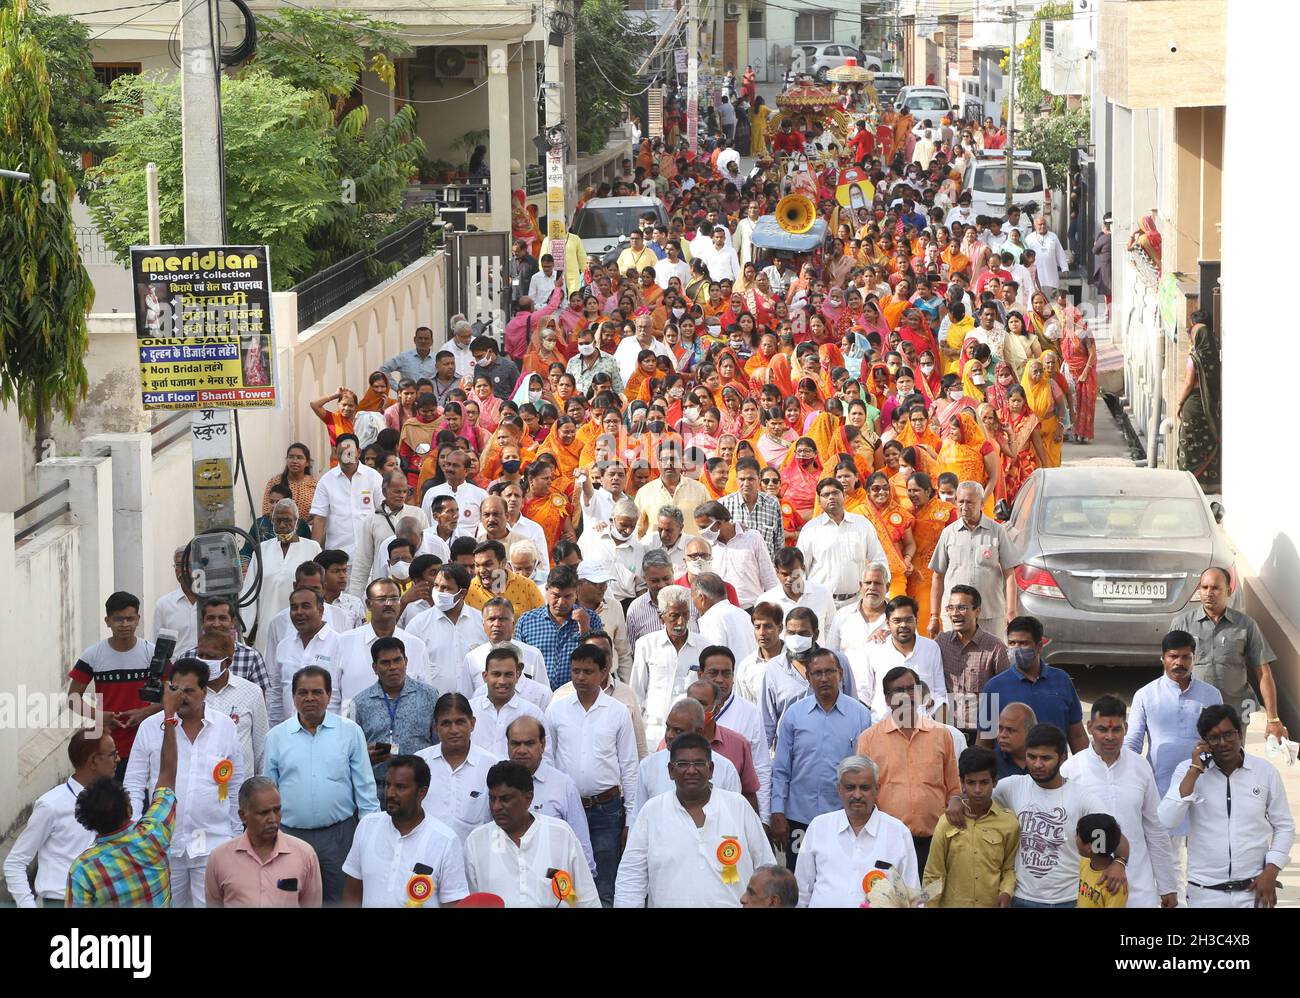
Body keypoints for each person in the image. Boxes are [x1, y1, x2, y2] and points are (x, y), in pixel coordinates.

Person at [949, 723, 1127, 908]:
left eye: (1045, 758)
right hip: (1020, 898)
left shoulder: (1081, 798)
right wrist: (956, 799)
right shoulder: (1012, 787)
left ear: (1062, 758)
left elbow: (1115, 838)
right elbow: (975, 794)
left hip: (1069, 900)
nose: (1037, 764)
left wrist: (1118, 862)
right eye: (1031, 757)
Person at [121, 658, 243, 908]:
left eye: (189, 691)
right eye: (175, 690)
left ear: (204, 692)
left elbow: (235, 785)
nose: (181, 697)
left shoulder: (225, 727)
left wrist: (236, 835)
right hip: (164, 845)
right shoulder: (149, 727)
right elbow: (133, 782)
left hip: (213, 843)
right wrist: (135, 830)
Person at [615, 732, 775, 908]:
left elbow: (767, 870)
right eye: (682, 764)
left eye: (699, 763)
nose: (691, 770)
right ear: (670, 771)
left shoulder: (738, 807)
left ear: (711, 769)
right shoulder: (652, 812)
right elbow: (631, 878)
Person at [1158, 704, 1294, 908]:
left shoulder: (1265, 772)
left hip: (1254, 891)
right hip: (1205, 894)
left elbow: (1284, 826)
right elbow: (1166, 820)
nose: (1223, 743)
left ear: (1239, 733)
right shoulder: (1187, 772)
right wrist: (1194, 771)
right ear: (1204, 743)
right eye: (1214, 737)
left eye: (1229, 734)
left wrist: (1272, 868)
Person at [266, 665, 379, 903]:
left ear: (329, 695)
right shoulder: (276, 736)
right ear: (293, 697)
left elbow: (366, 790)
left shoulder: (350, 732)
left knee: (342, 898)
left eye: (317, 692)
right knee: (290, 899)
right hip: (290, 837)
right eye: (302, 693)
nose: (310, 698)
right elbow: (268, 791)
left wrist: (371, 835)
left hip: (340, 837)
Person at [66, 680, 181, 907]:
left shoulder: (84, 869)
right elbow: (167, 774)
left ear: (88, 823)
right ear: (129, 810)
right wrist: (169, 716)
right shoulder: (153, 836)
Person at [1061, 695, 1177, 908]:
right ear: (1089, 727)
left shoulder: (1140, 767)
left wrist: (1167, 885)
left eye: (1116, 730)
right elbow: (1065, 835)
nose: (1110, 737)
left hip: (1138, 887)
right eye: (1102, 729)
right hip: (1088, 889)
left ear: (1125, 727)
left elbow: (1155, 828)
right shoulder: (1071, 770)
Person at [545, 642, 639, 906]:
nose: (581, 677)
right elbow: (548, 759)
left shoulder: (618, 712)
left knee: (604, 883)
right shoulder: (556, 709)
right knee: (563, 877)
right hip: (566, 808)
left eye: (588, 671)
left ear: (603, 672)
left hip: (606, 810)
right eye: (576, 671)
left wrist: (631, 817)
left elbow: (629, 766)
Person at [771, 649, 874, 870]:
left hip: (843, 817)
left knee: (840, 875)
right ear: (808, 677)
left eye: (830, 671)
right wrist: (777, 811)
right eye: (817, 673)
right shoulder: (794, 715)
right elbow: (780, 769)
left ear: (841, 674)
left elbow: (866, 769)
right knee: (799, 876)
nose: (824, 678)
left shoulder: (861, 716)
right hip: (799, 817)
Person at [855, 666, 959, 868]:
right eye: (898, 690)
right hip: (887, 843)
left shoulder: (941, 734)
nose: (906, 695)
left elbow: (953, 787)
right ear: (887, 699)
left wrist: (956, 801)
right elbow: (863, 792)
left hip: (934, 841)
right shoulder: (868, 739)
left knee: (931, 898)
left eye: (911, 688)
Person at [1125, 630, 1223, 844]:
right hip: (1161, 790)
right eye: (1173, 656)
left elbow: (1220, 739)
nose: (1180, 662)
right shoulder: (1145, 695)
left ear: (1194, 658)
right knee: (1169, 862)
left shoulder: (1211, 695)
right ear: (1163, 658)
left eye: (1186, 656)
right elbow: (1132, 743)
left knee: (1204, 859)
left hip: (1203, 787)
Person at [465, 760, 600, 907]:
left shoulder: (561, 834)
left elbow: (586, 899)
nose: (496, 807)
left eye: (505, 799)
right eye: (492, 799)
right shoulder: (476, 841)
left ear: (528, 798)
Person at [341, 753, 469, 908]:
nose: (390, 793)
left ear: (422, 792)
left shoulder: (446, 840)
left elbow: (453, 902)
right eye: (387, 785)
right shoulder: (367, 826)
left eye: (400, 787)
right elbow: (352, 892)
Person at [1171, 566, 1285, 738]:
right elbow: (1170, 672)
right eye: (1204, 587)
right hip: (1193, 713)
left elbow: (1263, 672)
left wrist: (1273, 719)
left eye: (1215, 588)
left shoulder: (1246, 625)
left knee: (1233, 763)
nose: (1209, 593)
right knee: (1194, 763)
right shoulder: (1182, 624)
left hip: (1234, 714)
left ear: (1229, 591)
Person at [4, 730, 115, 907]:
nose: (117, 759)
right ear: (94, 760)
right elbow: (15, 862)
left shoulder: (113, 801)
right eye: (112, 754)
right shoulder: (51, 805)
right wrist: (27, 904)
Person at [794, 755, 918, 907]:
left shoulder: (898, 832)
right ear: (839, 789)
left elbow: (911, 896)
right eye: (850, 787)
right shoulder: (818, 826)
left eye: (864, 788)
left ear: (877, 789)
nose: (857, 795)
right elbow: (801, 890)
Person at [67, 591, 156, 778]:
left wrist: (145, 712)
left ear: (138, 619)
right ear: (107, 621)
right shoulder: (93, 655)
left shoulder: (152, 653)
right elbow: (73, 699)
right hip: (108, 748)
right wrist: (99, 716)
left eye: (130, 619)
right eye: (118, 619)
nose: (125, 625)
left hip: (148, 743)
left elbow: (175, 694)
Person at [204, 777, 323, 908]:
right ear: (243, 815)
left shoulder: (305, 855)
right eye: (264, 813)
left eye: (277, 810)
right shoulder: (220, 858)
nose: (273, 819)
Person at [923, 746, 1018, 908]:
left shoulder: (1009, 823)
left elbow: (1009, 868)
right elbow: (934, 874)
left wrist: (1006, 892)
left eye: (984, 782)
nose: (977, 790)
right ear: (962, 783)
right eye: (971, 783)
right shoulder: (947, 822)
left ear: (995, 781)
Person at [977, 615, 1087, 753]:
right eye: (1012, 643)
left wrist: (1085, 770)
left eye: (1023, 643)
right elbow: (984, 742)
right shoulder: (994, 687)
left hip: (1054, 771)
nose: (1017, 649)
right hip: (1008, 773)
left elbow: (1077, 736)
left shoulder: (1061, 680)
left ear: (1039, 646)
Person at [927, 480, 1020, 639]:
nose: (964, 507)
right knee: (955, 659)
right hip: (955, 617)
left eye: (970, 502)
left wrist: (1011, 612)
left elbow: (1010, 574)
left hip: (990, 615)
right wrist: (934, 616)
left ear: (982, 503)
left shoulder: (997, 531)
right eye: (960, 501)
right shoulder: (948, 533)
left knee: (992, 660)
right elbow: (938, 576)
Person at [345, 635, 440, 788]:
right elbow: (350, 752)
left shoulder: (429, 696)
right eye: (385, 663)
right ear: (375, 668)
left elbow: (439, 743)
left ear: (406, 661)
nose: (393, 667)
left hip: (420, 790)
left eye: (397, 660)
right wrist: (364, 756)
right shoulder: (360, 703)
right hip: (377, 789)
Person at [505, 715, 596, 872]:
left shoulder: (563, 786)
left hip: (553, 880)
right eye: (515, 743)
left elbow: (580, 843)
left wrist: (582, 886)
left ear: (542, 744)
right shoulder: (498, 784)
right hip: (508, 876)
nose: (521, 750)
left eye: (529, 743)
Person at [634, 698, 744, 818]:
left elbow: (734, 820)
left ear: (699, 732)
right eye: (668, 728)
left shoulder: (726, 770)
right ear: (671, 770)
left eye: (678, 730)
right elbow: (638, 818)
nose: (669, 735)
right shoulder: (648, 766)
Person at [413, 693, 497, 844]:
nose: (454, 730)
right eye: (446, 723)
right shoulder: (419, 762)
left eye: (460, 722)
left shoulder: (491, 766)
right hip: (427, 857)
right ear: (435, 727)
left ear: (472, 723)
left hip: (473, 859)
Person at [631, 584, 710, 745]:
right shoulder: (646, 645)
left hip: (690, 734)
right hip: (652, 733)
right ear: (662, 617)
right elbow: (637, 693)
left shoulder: (704, 647)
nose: (680, 622)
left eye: (685, 615)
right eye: (674, 616)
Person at [933, 584, 1009, 742]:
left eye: (962, 608)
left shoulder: (995, 648)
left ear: (977, 611)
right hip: (946, 730)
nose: (955, 613)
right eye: (950, 608)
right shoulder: (941, 642)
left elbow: (1006, 691)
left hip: (982, 733)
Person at [797, 476, 887, 608]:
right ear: (819, 500)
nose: (831, 497)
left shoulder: (862, 524)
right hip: (820, 602)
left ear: (844, 495)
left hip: (856, 601)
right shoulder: (810, 530)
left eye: (835, 493)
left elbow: (878, 560)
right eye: (826, 495)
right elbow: (800, 568)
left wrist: (882, 589)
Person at [857, 595, 948, 720]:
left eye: (908, 620)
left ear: (916, 620)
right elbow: (863, 695)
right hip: (883, 727)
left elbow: (940, 693)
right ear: (888, 623)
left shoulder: (931, 648)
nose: (903, 625)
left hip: (923, 729)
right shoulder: (873, 649)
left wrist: (938, 729)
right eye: (897, 621)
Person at [193, 629, 268, 778]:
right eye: (200, 656)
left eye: (211, 657)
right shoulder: (189, 693)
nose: (204, 661)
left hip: (241, 787)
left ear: (227, 662)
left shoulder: (252, 692)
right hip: (201, 784)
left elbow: (262, 747)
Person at [404, 563, 484, 698]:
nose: (438, 592)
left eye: (446, 588)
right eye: (436, 586)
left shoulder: (481, 622)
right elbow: (410, 671)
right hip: (433, 706)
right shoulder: (418, 625)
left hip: (475, 704)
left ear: (462, 593)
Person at [310, 434, 385, 560]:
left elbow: (384, 513)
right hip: (337, 557)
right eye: (342, 453)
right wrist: (315, 556)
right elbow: (319, 518)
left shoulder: (374, 477)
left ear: (359, 452)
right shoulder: (326, 481)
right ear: (335, 453)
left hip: (370, 556)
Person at [692, 502, 777, 609]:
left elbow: (769, 577)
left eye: (703, 527)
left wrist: (775, 606)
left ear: (718, 524)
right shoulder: (706, 546)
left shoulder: (752, 538)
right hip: (721, 610)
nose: (701, 532)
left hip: (752, 608)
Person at [468, 645, 546, 757]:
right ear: (485, 676)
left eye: (508, 674)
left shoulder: (533, 713)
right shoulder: (470, 710)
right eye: (496, 674)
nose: (502, 681)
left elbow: (545, 757)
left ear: (517, 675)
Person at [1175, 317, 1221, 492]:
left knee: (1191, 444)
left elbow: (1188, 384)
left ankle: (1190, 483)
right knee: (1208, 444)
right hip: (1210, 408)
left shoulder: (1194, 358)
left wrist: (1180, 403)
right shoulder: (1215, 359)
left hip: (1194, 405)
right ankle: (1210, 484)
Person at [634, 440, 710, 537]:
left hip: (690, 550)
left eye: (674, 459)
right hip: (657, 550)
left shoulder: (699, 489)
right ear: (658, 464)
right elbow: (637, 529)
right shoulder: (644, 493)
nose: (669, 463)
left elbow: (710, 524)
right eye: (665, 459)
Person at [759, 547, 834, 641]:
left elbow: (831, 628)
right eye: (784, 574)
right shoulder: (767, 600)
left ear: (803, 568)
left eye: (794, 573)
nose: (789, 579)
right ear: (777, 572)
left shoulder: (823, 593)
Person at [720, 457, 784, 562]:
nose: (746, 483)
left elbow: (779, 542)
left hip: (766, 569)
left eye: (750, 479)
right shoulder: (724, 504)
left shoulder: (772, 503)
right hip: (736, 569)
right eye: (742, 479)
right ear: (736, 479)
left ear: (759, 479)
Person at [1076, 812, 1129, 908]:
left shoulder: (1114, 885)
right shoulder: (1085, 862)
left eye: (1077, 834)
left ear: (1088, 847)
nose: (1075, 838)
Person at [153, 545, 199, 652]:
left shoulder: (211, 601)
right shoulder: (164, 604)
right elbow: (159, 647)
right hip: (177, 667)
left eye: (188, 564)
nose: (183, 570)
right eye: (178, 565)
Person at [1023, 215, 1069, 299]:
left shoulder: (1053, 236)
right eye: (1040, 224)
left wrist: (1064, 268)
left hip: (1051, 275)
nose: (1043, 226)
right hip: (1036, 275)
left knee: (1052, 300)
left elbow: (1060, 253)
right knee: (1038, 298)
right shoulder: (1029, 238)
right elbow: (1025, 257)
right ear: (1035, 225)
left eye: (1044, 224)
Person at [993, 702, 1036, 778]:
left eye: (1010, 730)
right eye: (1000, 728)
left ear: (1029, 731)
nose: (1002, 735)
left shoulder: (1044, 761)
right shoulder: (989, 764)